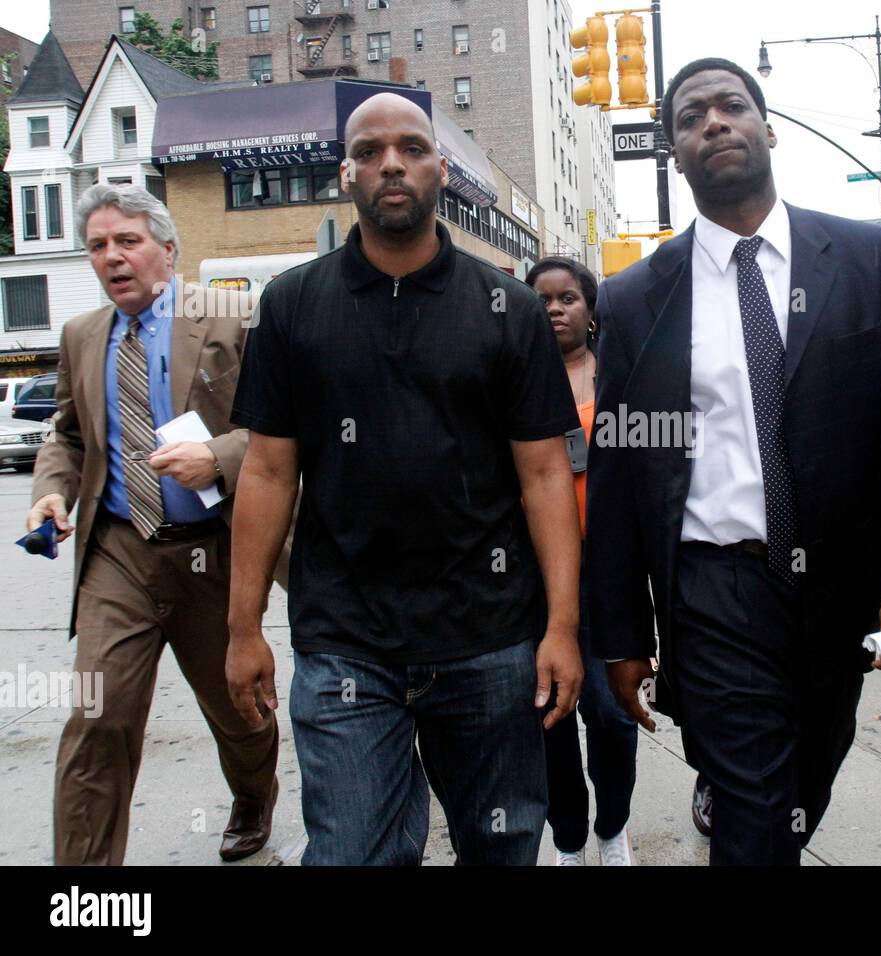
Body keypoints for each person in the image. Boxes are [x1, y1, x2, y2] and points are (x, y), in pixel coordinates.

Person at [585, 58, 881, 865]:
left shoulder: (862, 259)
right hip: (715, 587)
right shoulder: (636, 298)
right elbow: (619, 473)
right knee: (759, 820)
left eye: (731, 106)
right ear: (674, 154)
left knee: (804, 784)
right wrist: (620, 632)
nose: (712, 123)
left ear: (768, 127)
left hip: (840, 586)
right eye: (690, 117)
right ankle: (735, 797)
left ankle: (735, 796)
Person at [224, 91, 583, 866]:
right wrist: (243, 627)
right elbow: (267, 470)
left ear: (440, 170)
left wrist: (560, 627)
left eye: (412, 148)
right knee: (352, 853)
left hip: (489, 640)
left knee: (502, 848)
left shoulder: (509, 308)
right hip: (345, 643)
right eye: (370, 150)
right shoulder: (291, 305)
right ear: (345, 173)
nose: (392, 162)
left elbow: (547, 475)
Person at [26, 182, 283, 865]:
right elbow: (68, 434)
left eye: (128, 242)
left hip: (215, 552)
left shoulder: (235, 317)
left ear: (168, 251)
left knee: (242, 715)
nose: (113, 258)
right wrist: (52, 493)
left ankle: (254, 796)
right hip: (120, 552)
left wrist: (219, 457)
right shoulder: (82, 336)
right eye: (98, 247)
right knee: (96, 716)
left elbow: (286, 425)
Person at [526, 256, 639, 866]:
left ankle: (613, 827)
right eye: (541, 299)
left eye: (567, 297)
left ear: (590, 309)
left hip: (608, 571)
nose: (554, 309)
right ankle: (569, 840)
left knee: (611, 711)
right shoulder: (510, 379)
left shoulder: (620, 378)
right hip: (534, 572)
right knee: (549, 716)